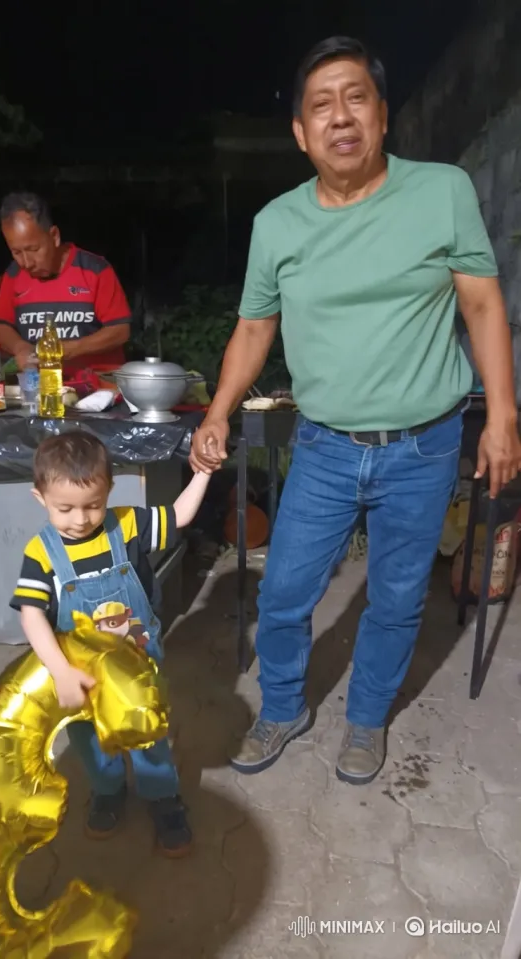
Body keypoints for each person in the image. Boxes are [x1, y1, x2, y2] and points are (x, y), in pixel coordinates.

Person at [190, 36, 521, 785]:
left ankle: (367, 719)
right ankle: (282, 706)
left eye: (356, 98)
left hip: (425, 445)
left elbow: (480, 301)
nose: (341, 117)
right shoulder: (278, 223)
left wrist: (502, 415)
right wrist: (218, 412)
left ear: (382, 114)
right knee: (282, 592)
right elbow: (253, 327)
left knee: (398, 596)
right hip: (326, 447)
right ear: (302, 135)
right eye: (321, 106)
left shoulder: (441, 191)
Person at [11, 430, 210, 853]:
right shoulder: (41, 552)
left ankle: (162, 797)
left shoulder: (127, 523)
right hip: (79, 673)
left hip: (136, 664)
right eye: (64, 508)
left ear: (109, 491)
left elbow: (179, 516)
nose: (81, 519)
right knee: (89, 737)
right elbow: (31, 615)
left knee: (147, 732)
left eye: (93, 505)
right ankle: (108, 790)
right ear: (39, 497)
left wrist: (204, 473)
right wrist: (59, 671)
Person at [0, 192, 131, 376]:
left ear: (54, 236)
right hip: (40, 388)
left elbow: (121, 331)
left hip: (97, 390)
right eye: (16, 252)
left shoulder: (95, 270)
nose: (26, 262)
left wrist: (71, 349)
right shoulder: (14, 274)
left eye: (33, 249)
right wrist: (20, 347)